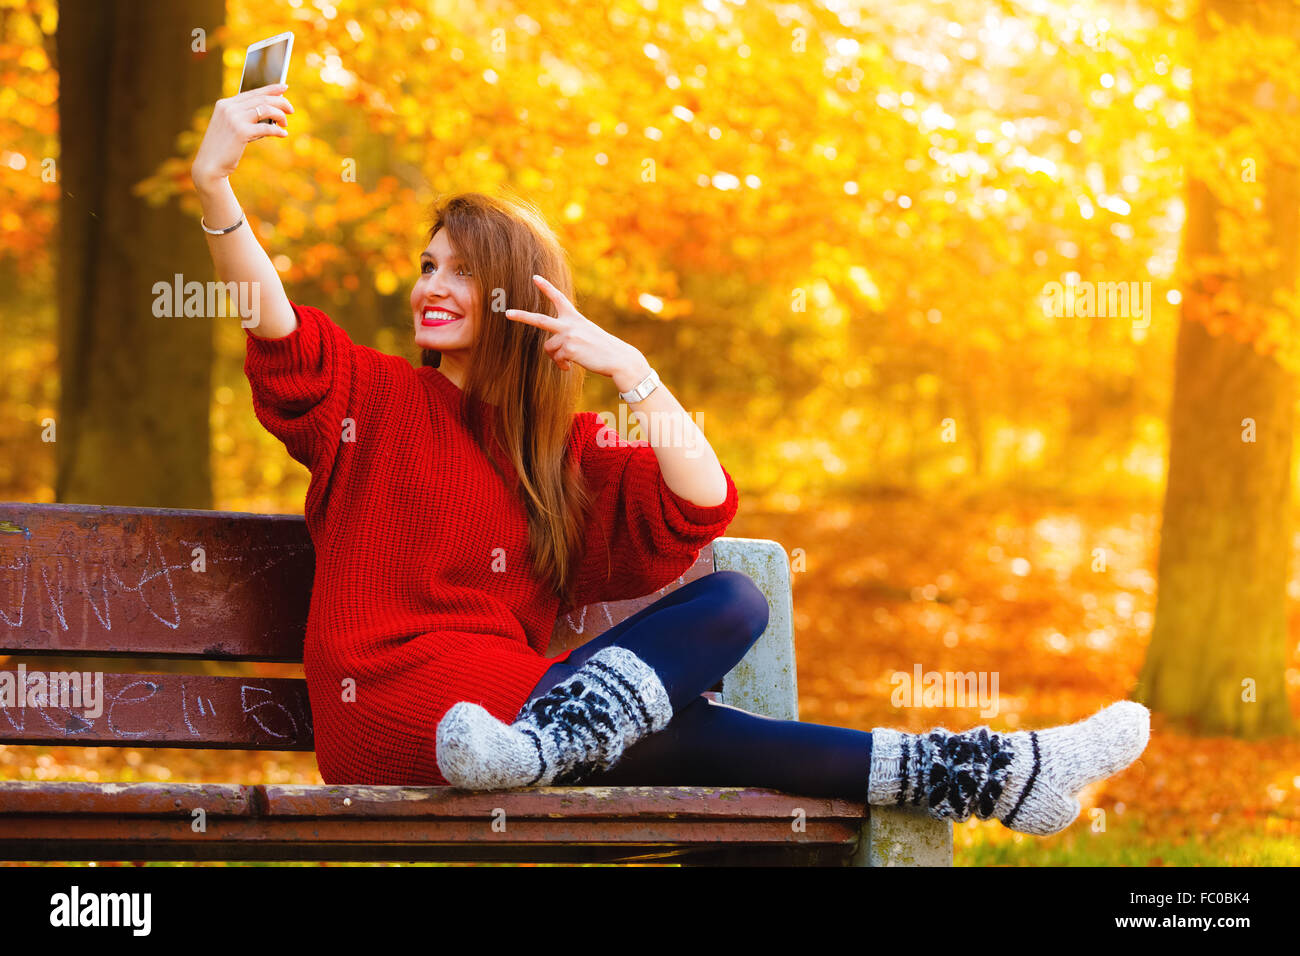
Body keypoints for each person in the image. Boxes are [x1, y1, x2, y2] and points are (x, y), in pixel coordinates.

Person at [190, 83, 1150, 837]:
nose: (433, 285)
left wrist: (634, 370)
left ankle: (998, 775)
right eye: (430, 264)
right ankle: (992, 770)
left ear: (518, 297)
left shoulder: (556, 454)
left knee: (734, 600)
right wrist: (216, 188)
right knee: (700, 720)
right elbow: (276, 328)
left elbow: (701, 503)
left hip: (514, 724)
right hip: (406, 716)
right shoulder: (374, 398)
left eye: (463, 270)